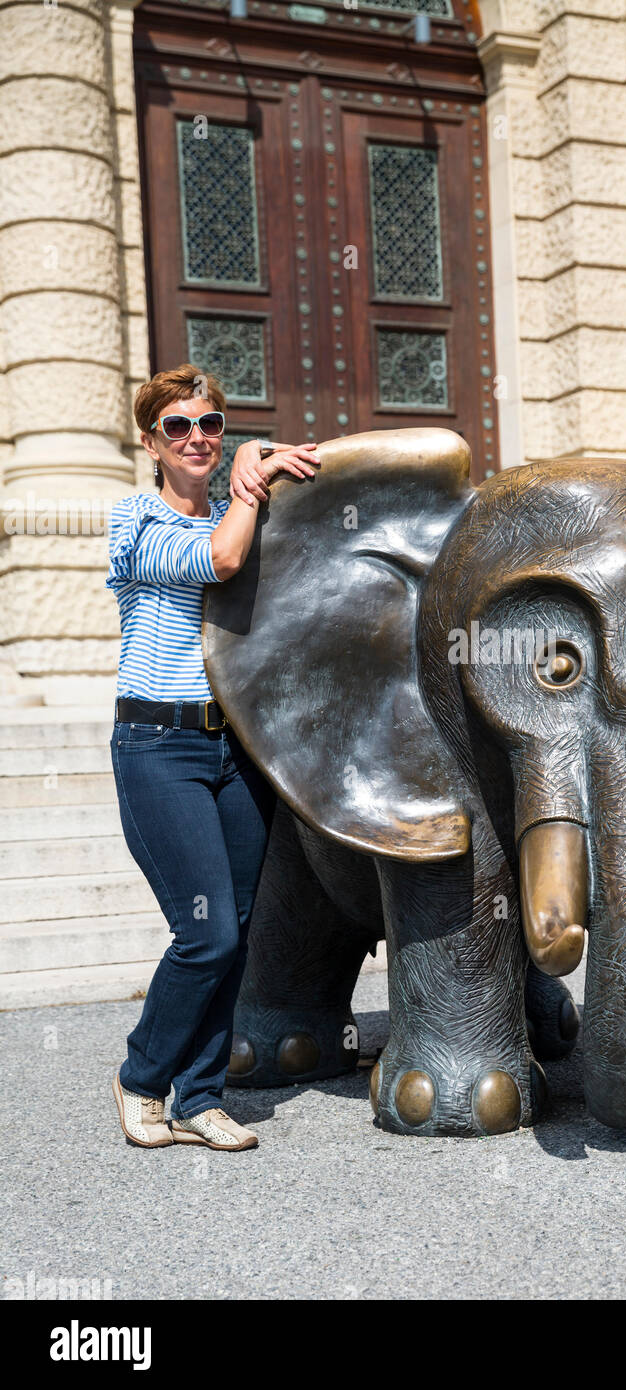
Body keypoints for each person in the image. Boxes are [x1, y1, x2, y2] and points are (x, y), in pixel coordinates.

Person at [108, 363, 318, 1150]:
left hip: (233, 747)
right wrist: (244, 480)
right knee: (206, 934)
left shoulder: (241, 502)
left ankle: (198, 1096)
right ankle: (140, 1077)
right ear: (150, 441)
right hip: (157, 745)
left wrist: (261, 448)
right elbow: (221, 562)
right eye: (177, 427)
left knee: (235, 925)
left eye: (211, 425)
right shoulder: (134, 520)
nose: (196, 438)